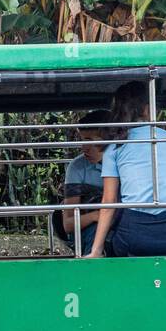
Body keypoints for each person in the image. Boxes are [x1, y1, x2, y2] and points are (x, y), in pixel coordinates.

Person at [88, 82, 166, 259]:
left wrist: (96, 250)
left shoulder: (115, 147)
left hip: (135, 235)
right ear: (148, 109)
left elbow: (109, 201)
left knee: (115, 246)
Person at [57, 109, 111, 254]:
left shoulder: (125, 162)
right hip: (88, 230)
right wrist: (96, 216)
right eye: (82, 141)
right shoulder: (77, 167)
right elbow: (68, 224)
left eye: (90, 141)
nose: (84, 148)